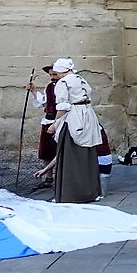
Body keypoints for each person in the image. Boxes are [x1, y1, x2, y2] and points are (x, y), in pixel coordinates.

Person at [47, 58, 103, 204]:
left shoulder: (63, 83)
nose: (55, 75)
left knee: (71, 155)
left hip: (73, 117)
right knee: (87, 153)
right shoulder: (80, 79)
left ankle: (70, 194)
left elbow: (63, 106)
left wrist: (55, 124)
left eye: (56, 72)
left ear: (61, 71)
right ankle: (90, 192)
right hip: (88, 115)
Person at [26, 63, 61, 188]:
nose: (52, 77)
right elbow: (44, 101)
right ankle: (49, 178)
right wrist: (34, 90)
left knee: (60, 150)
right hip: (47, 121)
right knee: (46, 150)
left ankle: (62, 179)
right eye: (50, 74)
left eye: (54, 74)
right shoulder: (49, 87)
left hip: (60, 121)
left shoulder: (65, 86)